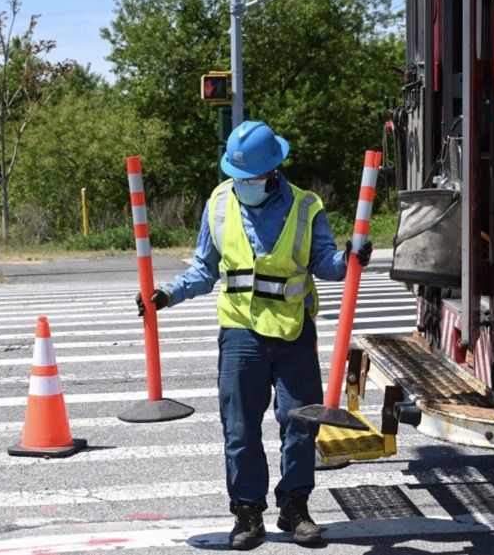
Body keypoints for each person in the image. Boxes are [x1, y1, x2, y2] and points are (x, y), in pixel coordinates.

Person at [135, 121, 372, 550]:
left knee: (300, 424)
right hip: (240, 332)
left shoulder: (305, 205)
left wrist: (350, 257)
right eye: (236, 176)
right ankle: (247, 512)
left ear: (272, 172)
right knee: (240, 427)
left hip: (293, 332)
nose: (241, 184)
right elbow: (204, 270)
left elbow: (326, 263)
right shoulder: (220, 203)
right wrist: (167, 294)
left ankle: (294, 508)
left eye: (249, 178)